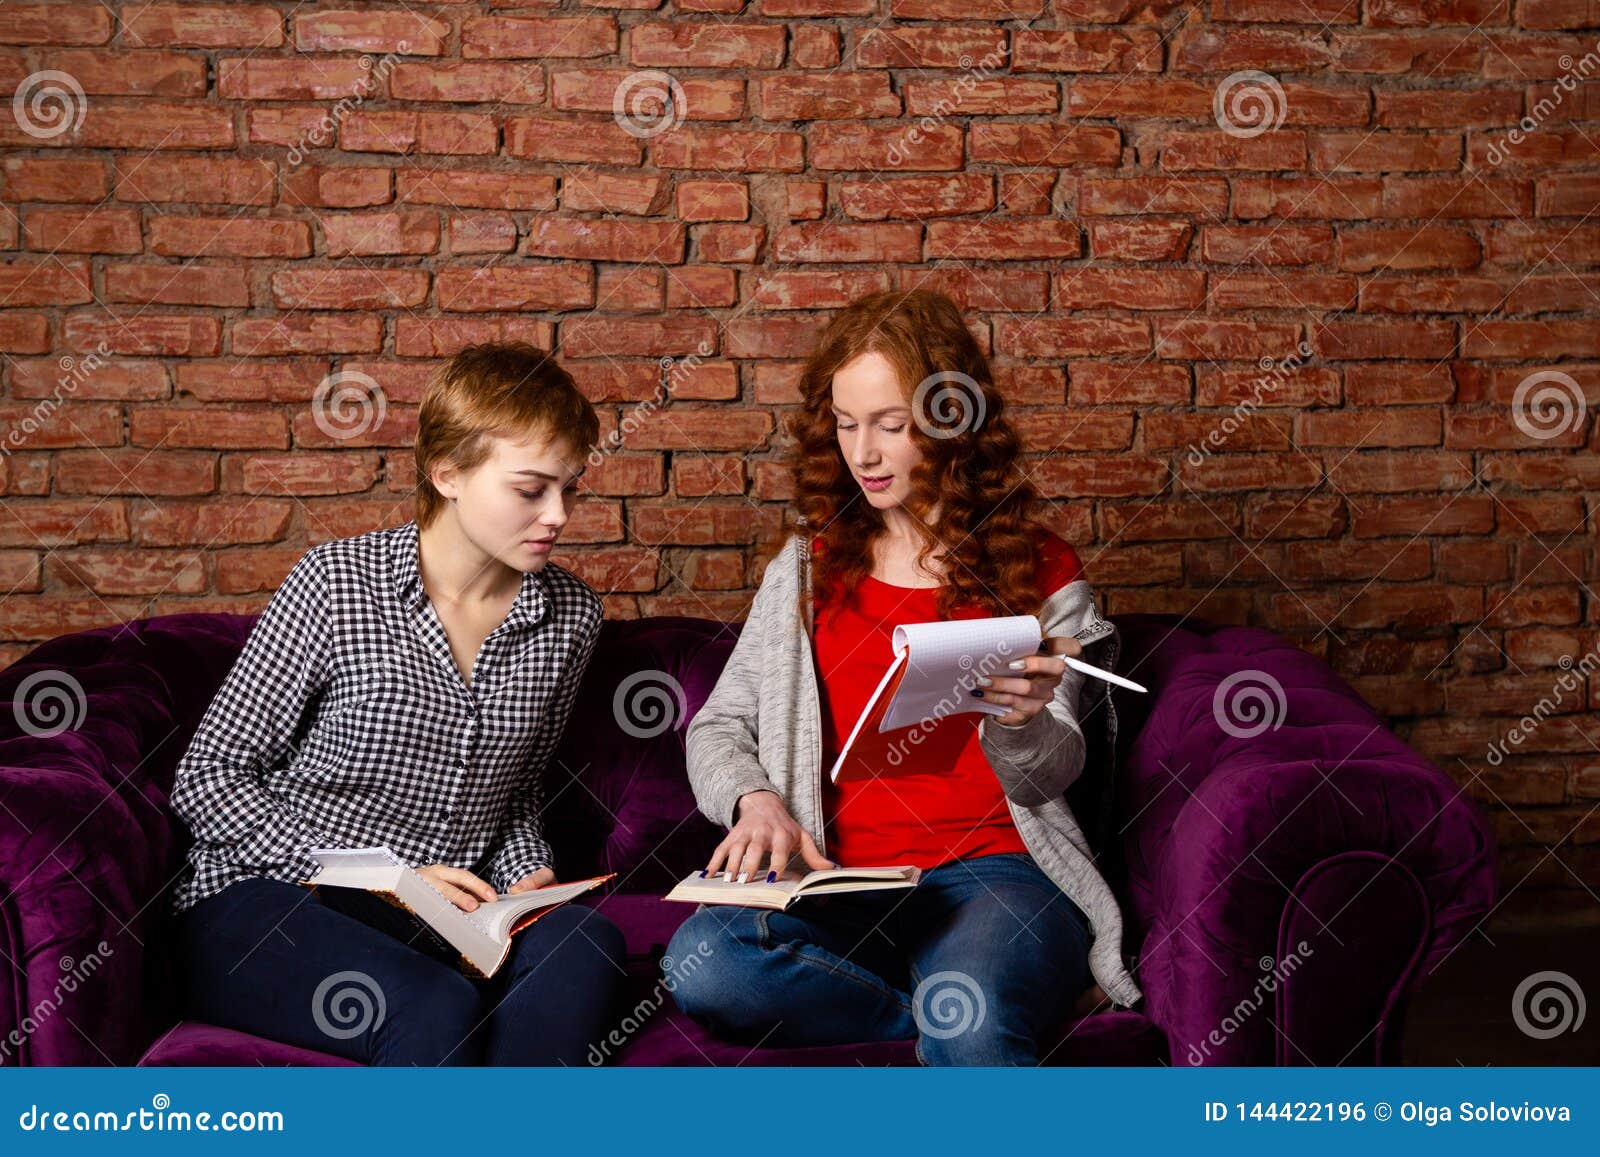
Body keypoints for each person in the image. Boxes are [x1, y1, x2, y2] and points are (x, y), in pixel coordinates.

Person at [666, 289, 1143, 1065]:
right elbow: (719, 724)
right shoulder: (804, 571)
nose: (865, 453)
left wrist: (1021, 723)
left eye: (891, 425)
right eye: (848, 426)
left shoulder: (1042, 570)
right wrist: (752, 800)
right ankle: (920, 1014)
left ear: (953, 421)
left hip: (999, 875)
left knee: (978, 1016)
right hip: (838, 882)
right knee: (706, 962)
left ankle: (956, 1010)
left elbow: (1060, 770)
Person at [169, 343, 626, 1066]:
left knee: (587, 943)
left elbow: (516, 794)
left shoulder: (570, 616)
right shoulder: (336, 582)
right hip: (272, 898)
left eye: (571, 488)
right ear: (446, 473)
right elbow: (209, 777)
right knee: (431, 1002)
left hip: (446, 918)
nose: (560, 514)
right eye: (531, 489)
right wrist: (380, 873)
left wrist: (529, 874)